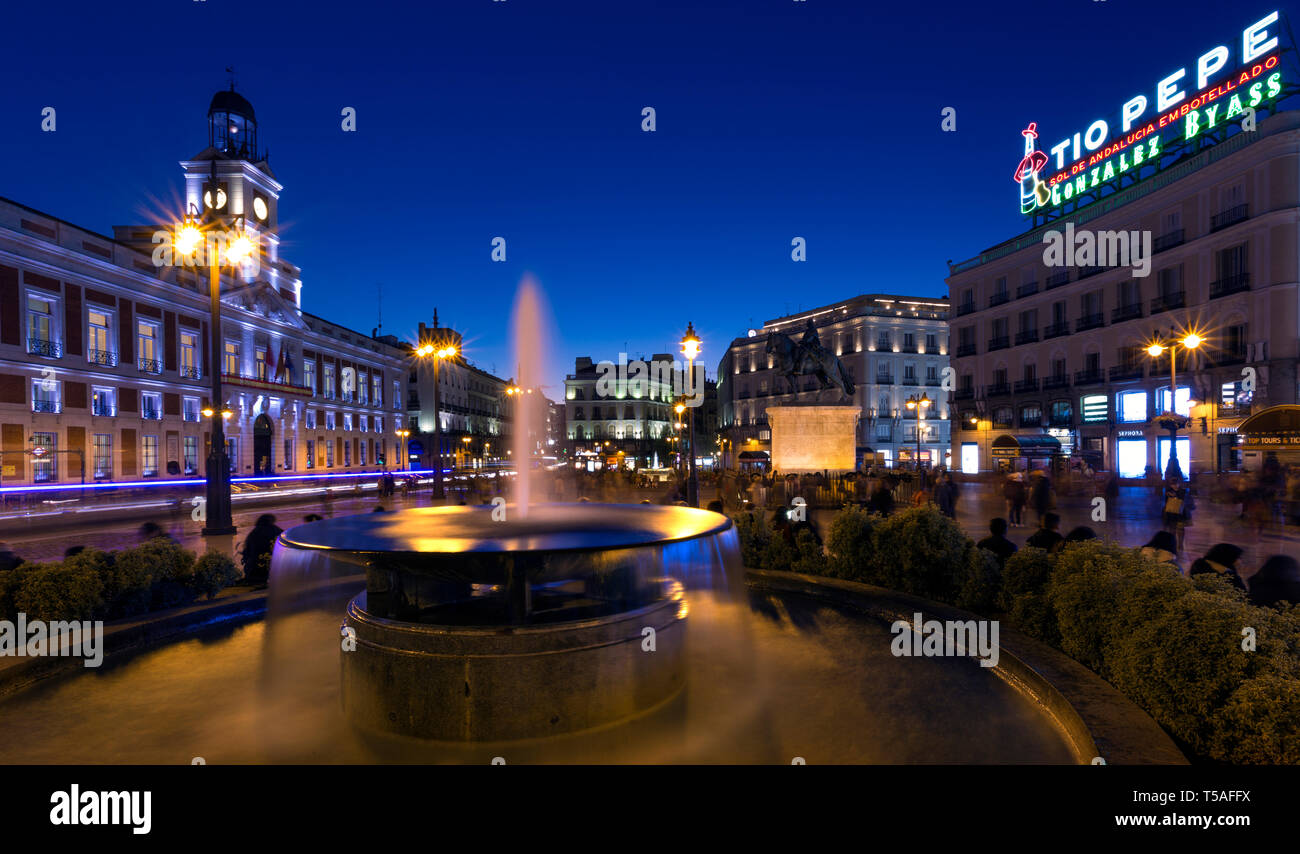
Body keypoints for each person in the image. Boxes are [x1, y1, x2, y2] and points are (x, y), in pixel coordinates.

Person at [240, 514, 283, 586]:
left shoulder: (254, 533)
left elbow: (247, 552)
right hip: (273, 569)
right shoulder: (277, 531)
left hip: (254, 570)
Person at [1161, 476, 1192, 553]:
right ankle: (1173, 544)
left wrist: (1175, 496)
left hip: (1181, 513)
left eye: (1176, 484)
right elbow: (1166, 502)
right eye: (1172, 484)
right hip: (1171, 513)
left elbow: (1186, 500)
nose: (1174, 486)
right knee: (1172, 530)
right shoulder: (1168, 492)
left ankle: (1180, 544)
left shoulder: (1183, 491)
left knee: (1180, 529)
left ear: (1179, 484)